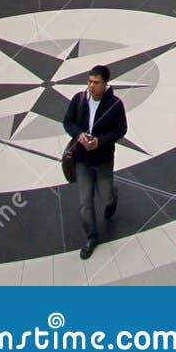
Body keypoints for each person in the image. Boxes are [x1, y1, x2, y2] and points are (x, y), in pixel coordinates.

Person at [63, 65, 128, 260]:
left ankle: (112, 197)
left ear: (105, 84)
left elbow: (121, 129)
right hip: (82, 161)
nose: (91, 86)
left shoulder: (115, 105)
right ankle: (91, 237)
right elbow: (68, 122)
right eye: (89, 81)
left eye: (96, 82)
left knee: (106, 193)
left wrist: (101, 141)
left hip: (103, 160)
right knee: (85, 203)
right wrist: (79, 135)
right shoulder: (79, 100)